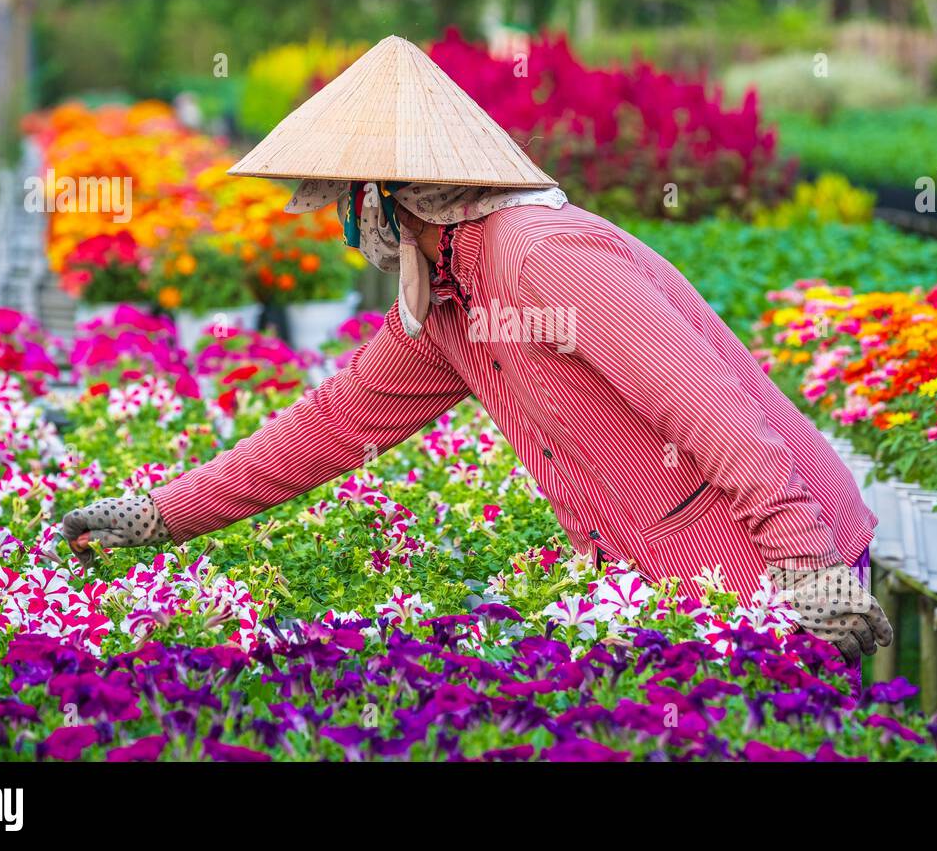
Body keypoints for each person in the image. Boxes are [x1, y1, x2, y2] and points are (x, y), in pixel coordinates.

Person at [61, 36, 892, 666]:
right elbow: (330, 426)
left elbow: (711, 410)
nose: (346, 228)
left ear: (394, 196)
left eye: (349, 203)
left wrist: (805, 565)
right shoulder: (446, 301)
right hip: (679, 587)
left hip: (772, 559)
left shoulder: (541, 256)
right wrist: (162, 514)